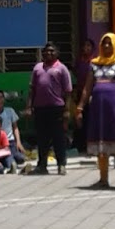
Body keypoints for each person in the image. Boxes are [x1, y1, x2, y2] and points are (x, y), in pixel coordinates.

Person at [77, 34, 115, 190]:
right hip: (98, 109)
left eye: (110, 44)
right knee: (101, 143)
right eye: (104, 44)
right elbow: (87, 88)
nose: (107, 47)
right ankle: (103, 179)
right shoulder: (94, 64)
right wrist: (80, 107)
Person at [27, 43, 72, 176]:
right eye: (46, 51)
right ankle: (42, 165)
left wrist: (67, 110)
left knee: (59, 138)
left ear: (57, 53)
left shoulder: (62, 69)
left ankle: (61, 164)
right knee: (42, 139)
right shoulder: (37, 68)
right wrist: (29, 107)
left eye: (52, 51)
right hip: (40, 108)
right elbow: (32, 89)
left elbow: (68, 91)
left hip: (57, 108)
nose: (49, 53)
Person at [0, 89, 25, 166]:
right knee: (9, 159)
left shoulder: (10, 111)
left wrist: (18, 142)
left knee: (20, 158)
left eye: (1, 97)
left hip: (10, 142)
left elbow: (15, 128)